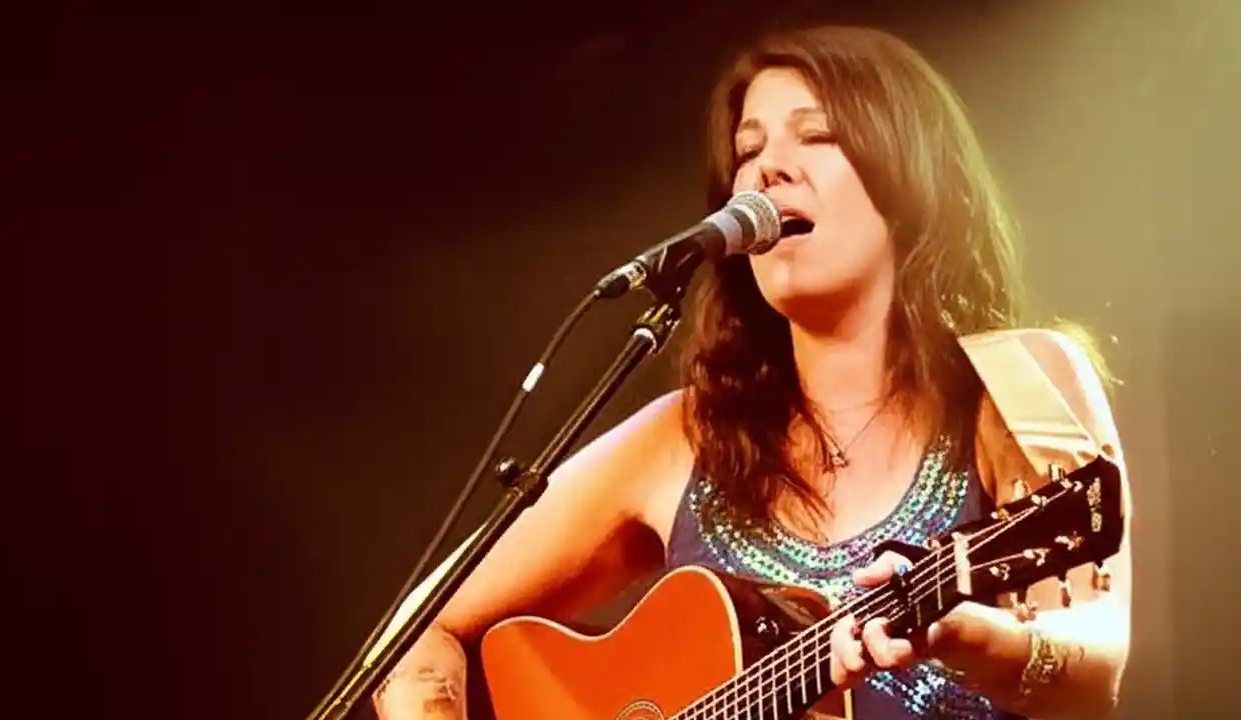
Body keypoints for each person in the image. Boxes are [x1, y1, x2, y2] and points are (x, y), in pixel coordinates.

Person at [372, 24, 1133, 720]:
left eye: (818, 135)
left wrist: (975, 641)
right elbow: (413, 634)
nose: (767, 168)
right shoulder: (686, 434)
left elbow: (1096, 675)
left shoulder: (1021, 379)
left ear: (910, 178)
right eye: (748, 149)